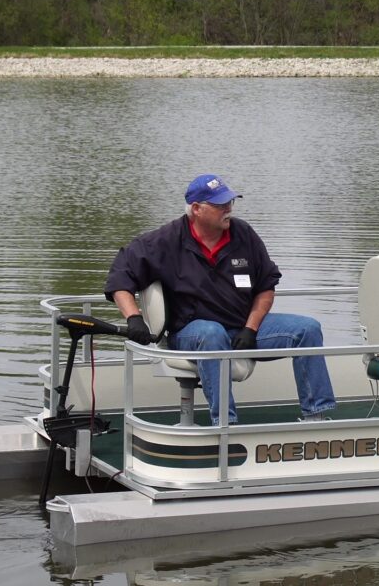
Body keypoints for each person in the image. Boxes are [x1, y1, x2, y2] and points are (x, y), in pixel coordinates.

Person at [105, 173, 337, 424]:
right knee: (211, 333)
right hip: (191, 333)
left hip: (243, 329)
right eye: (219, 205)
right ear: (196, 209)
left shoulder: (244, 234)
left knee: (308, 329)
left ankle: (317, 417)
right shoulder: (165, 240)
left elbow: (266, 286)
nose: (228, 209)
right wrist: (134, 318)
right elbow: (120, 274)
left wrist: (251, 328)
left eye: (230, 202)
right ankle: (225, 425)